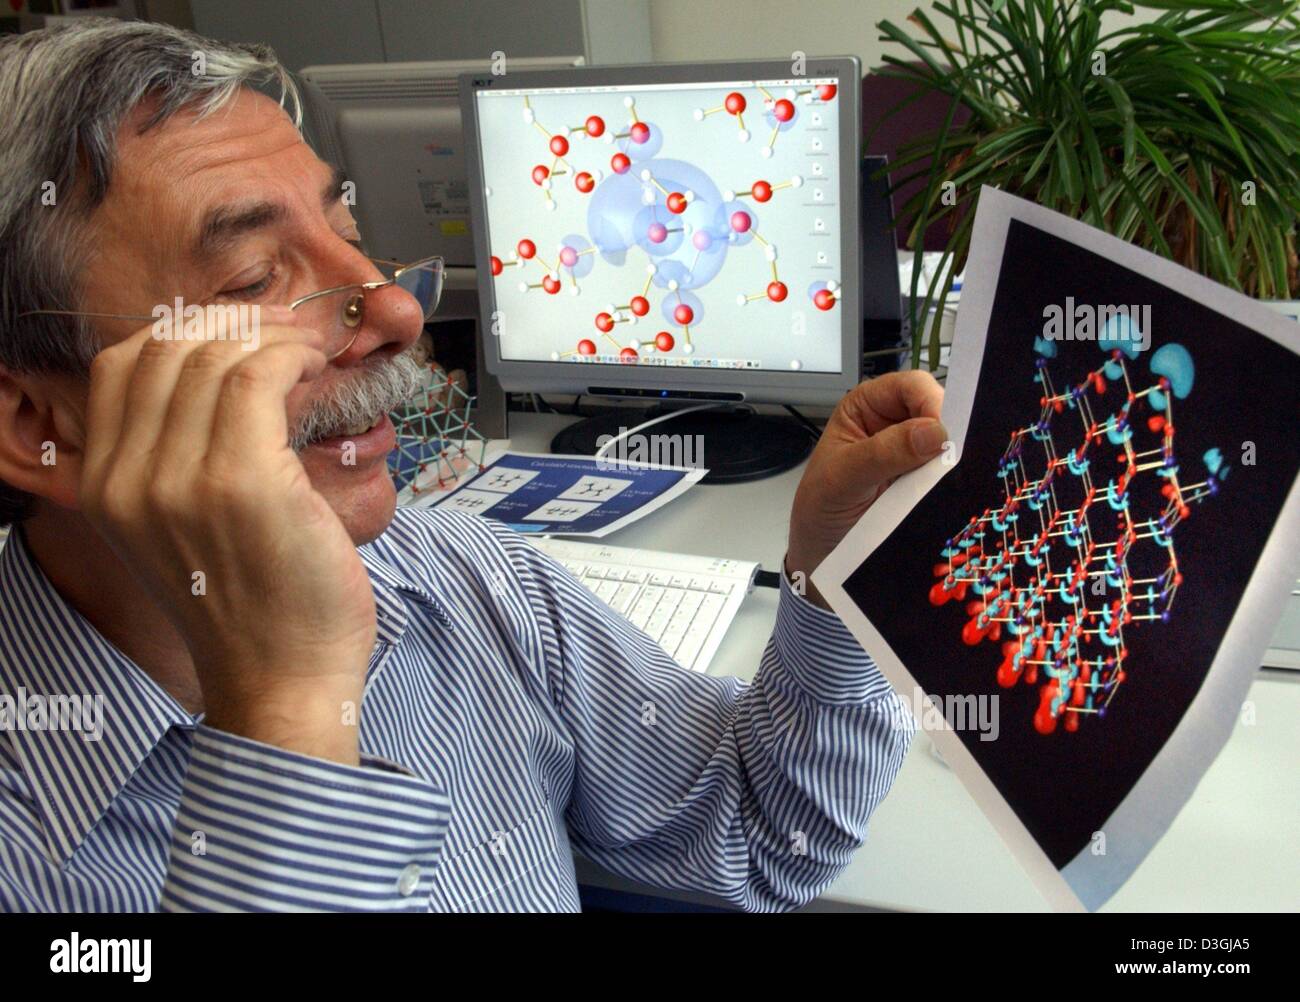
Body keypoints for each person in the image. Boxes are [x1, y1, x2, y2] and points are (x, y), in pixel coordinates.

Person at [0, 20, 947, 912]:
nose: (400, 313)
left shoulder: (472, 581)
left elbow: (761, 834)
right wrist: (284, 707)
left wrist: (827, 576)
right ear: (36, 417)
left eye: (352, 236)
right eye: (255, 279)